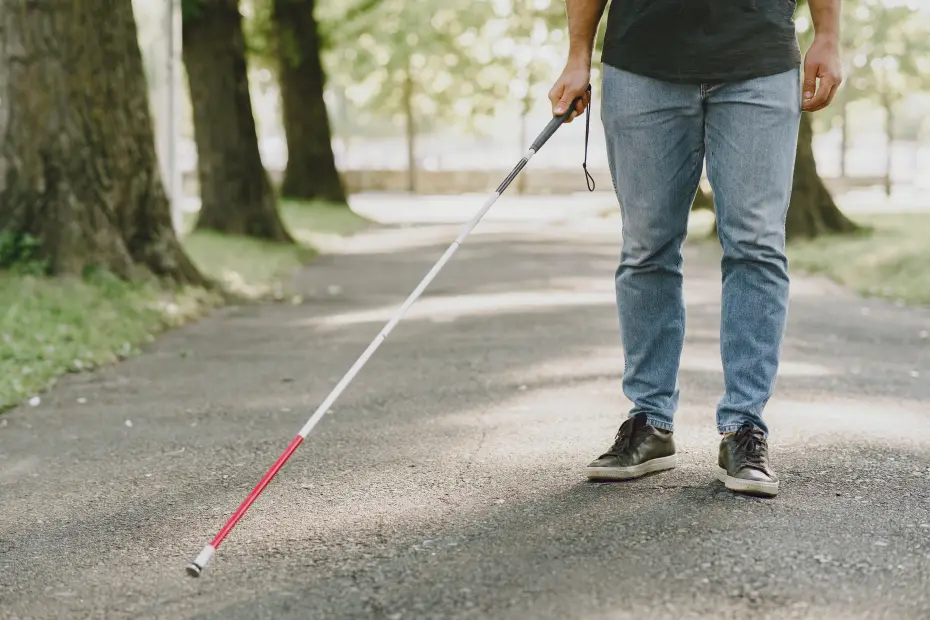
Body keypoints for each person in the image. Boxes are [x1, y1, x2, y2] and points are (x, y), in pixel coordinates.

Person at [549, 0, 842, 497]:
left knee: (757, 246)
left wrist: (829, 35)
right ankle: (649, 422)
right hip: (641, 64)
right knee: (646, 249)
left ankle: (744, 428)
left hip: (759, 61)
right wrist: (578, 52)